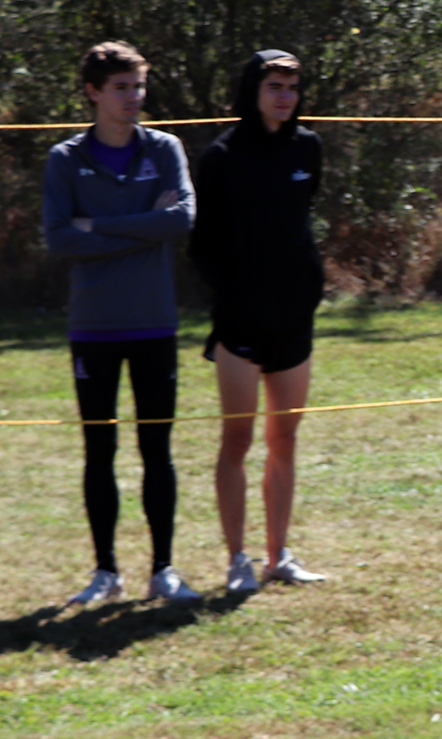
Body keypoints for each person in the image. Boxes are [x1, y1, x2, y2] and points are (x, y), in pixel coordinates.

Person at [43, 42, 200, 607]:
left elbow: (182, 218)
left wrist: (100, 226)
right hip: (94, 327)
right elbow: (60, 237)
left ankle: (163, 569)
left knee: (157, 448)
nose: (133, 98)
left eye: (138, 86)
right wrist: (143, 224)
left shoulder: (165, 148)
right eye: (121, 88)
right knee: (99, 450)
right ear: (93, 92)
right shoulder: (66, 158)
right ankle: (106, 571)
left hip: (154, 323)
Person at [188, 51, 330, 593]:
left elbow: (299, 221)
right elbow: (202, 246)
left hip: (293, 321)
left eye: (292, 87)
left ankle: (279, 555)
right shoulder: (223, 156)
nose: (285, 96)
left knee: (285, 438)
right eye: (275, 86)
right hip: (240, 323)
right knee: (238, 440)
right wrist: (236, 299)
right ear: (254, 90)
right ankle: (237, 560)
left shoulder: (308, 147)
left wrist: (304, 290)